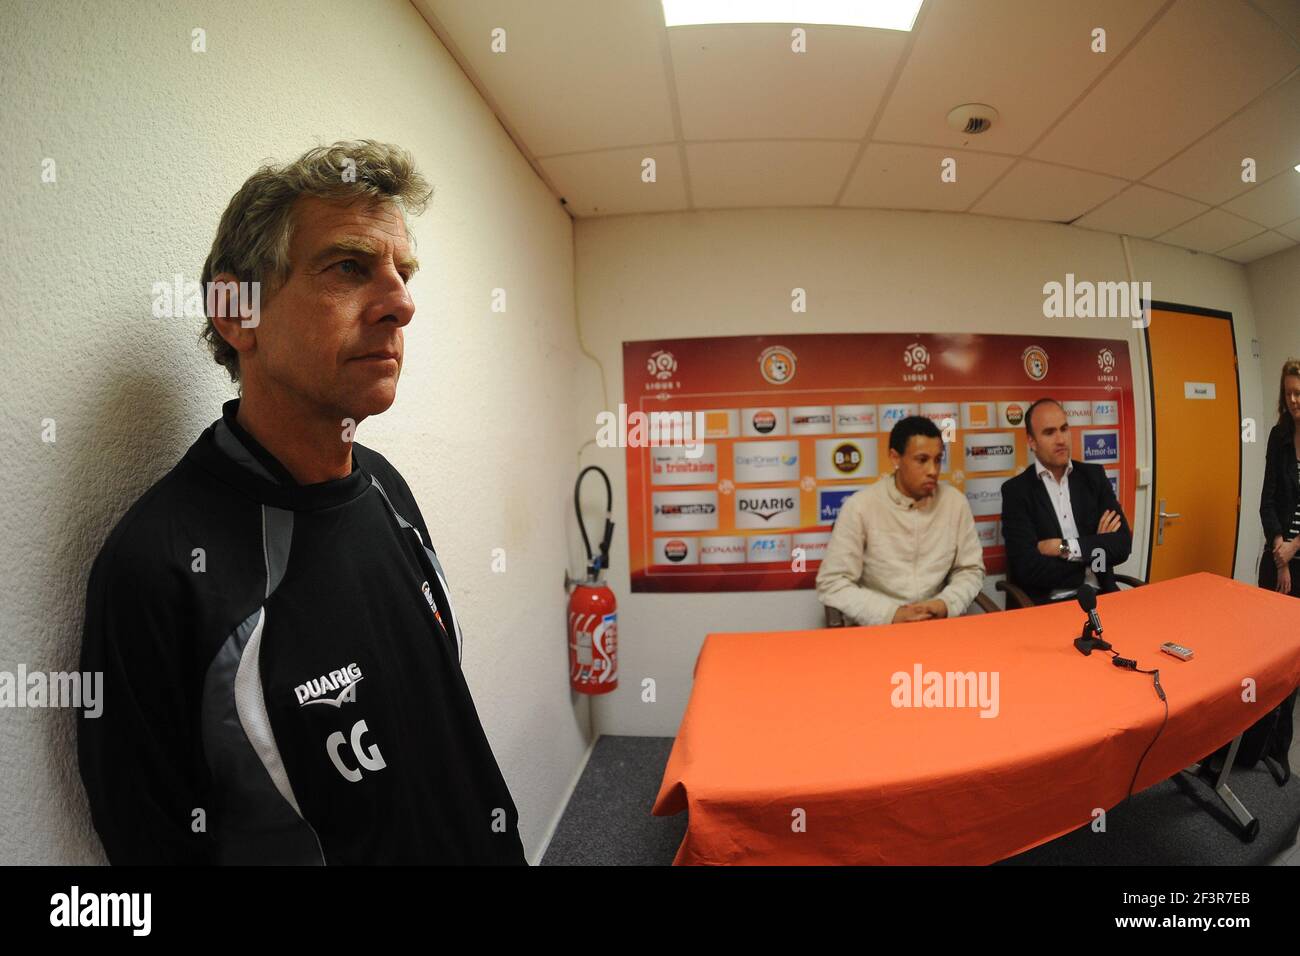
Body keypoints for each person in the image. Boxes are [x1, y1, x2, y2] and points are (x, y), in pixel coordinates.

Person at [77, 141, 527, 865]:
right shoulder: (158, 569)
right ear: (236, 313)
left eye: (401, 273)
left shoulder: (387, 486)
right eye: (350, 267)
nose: (401, 304)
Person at [816, 416, 985, 626]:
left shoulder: (955, 503)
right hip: (878, 628)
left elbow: (970, 570)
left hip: (937, 625)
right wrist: (891, 614)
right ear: (895, 458)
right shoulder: (860, 506)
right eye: (922, 460)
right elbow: (832, 582)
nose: (933, 470)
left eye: (938, 459)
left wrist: (945, 603)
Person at [1000, 398, 1131, 604]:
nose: (1061, 439)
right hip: (1048, 606)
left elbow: (1122, 545)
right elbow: (1027, 568)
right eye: (1049, 432)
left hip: (1102, 597)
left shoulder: (1093, 477)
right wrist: (1092, 554)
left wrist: (1063, 548)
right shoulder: (1016, 491)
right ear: (1031, 441)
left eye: (1064, 428)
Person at [1251, 357, 1300, 781]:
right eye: (1288, 393)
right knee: (1267, 652)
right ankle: (1258, 740)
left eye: (1299, 392)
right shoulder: (1277, 437)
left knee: (1293, 659)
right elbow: (1267, 500)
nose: (1295, 399)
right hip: (1276, 558)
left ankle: (1281, 746)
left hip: (1298, 559)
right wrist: (1279, 547)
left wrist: (1296, 547)